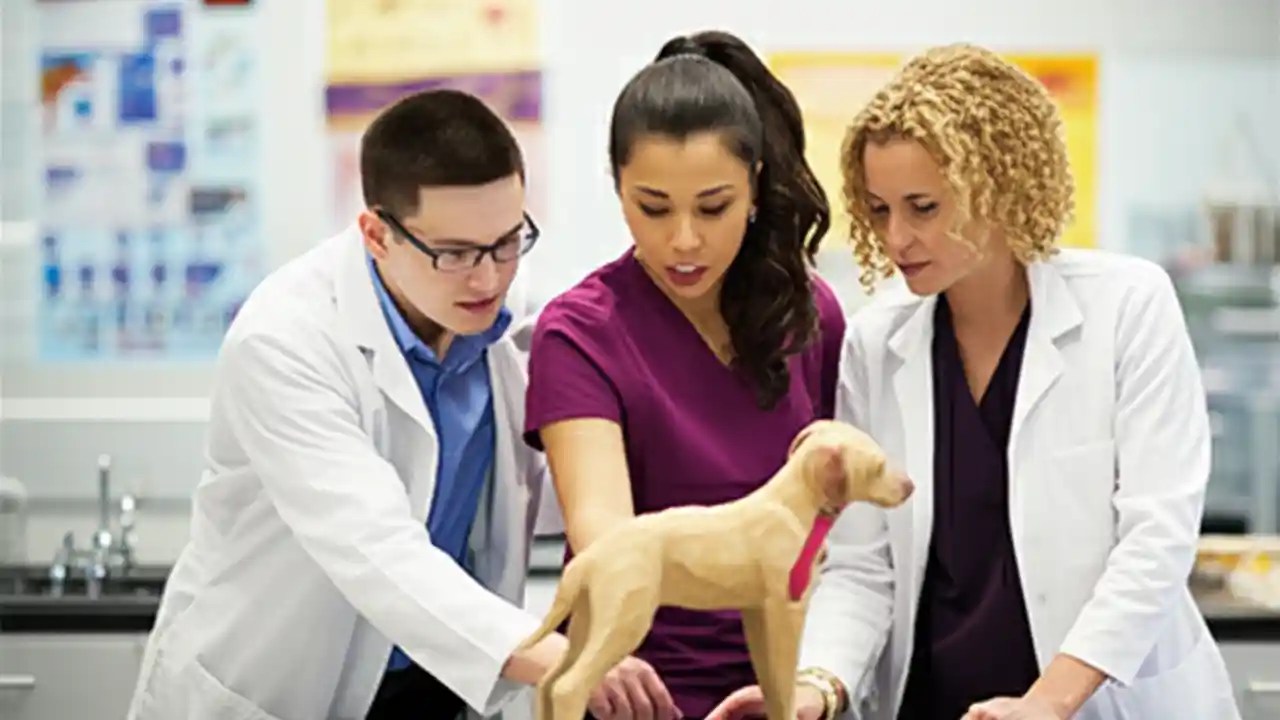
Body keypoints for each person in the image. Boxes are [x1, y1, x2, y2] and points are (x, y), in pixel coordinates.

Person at [710, 43, 1241, 720]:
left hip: (1094, 703)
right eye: (877, 210)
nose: (897, 237)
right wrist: (814, 689)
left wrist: (1047, 702)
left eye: (923, 207)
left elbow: (1155, 542)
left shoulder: (1128, 307)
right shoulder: (879, 345)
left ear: (999, 187)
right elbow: (864, 565)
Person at [126, 89, 673, 720]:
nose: (489, 278)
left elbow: (552, 490)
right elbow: (376, 549)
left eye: (506, 242)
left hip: (437, 684)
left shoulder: (514, 324)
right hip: (280, 684)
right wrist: (566, 663)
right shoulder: (285, 341)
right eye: (455, 253)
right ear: (377, 234)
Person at [522, 30, 846, 719]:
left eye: (713, 206)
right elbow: (602, 526)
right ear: (617, 188)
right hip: (639, 689)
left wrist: (816, 681)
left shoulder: (808, 315)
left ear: (755, 186)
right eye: (654, 207)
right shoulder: (579, 332)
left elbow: (834, 526)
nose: (685, 240)